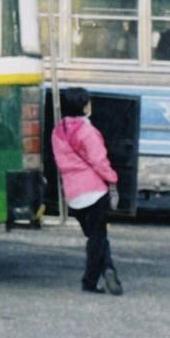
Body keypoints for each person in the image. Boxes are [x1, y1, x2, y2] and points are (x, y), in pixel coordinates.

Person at [51, 87, 122, 295]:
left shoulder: (58, 131)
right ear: (83, 106)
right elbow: (99, 161)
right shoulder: (88, 131)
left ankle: (109, 269)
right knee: (98, 238)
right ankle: (90, 280)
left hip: (73, 193)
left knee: (95, 237)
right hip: (94, 190)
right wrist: (113, 180)